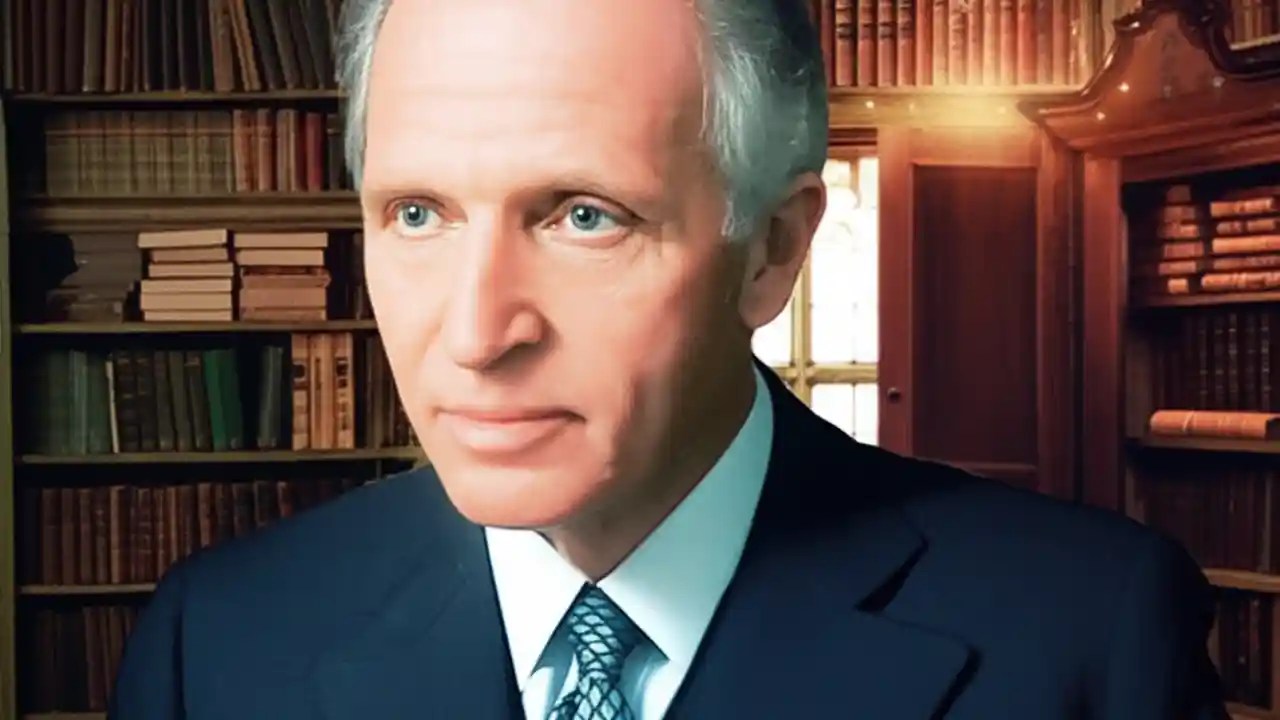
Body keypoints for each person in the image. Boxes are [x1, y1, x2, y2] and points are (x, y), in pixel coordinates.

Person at [109, 0, 1229, 717]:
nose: (473, 334)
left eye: (583, 216)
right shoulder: (216, 643)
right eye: (416, 214)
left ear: (772, 252)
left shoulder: (1088, 638)